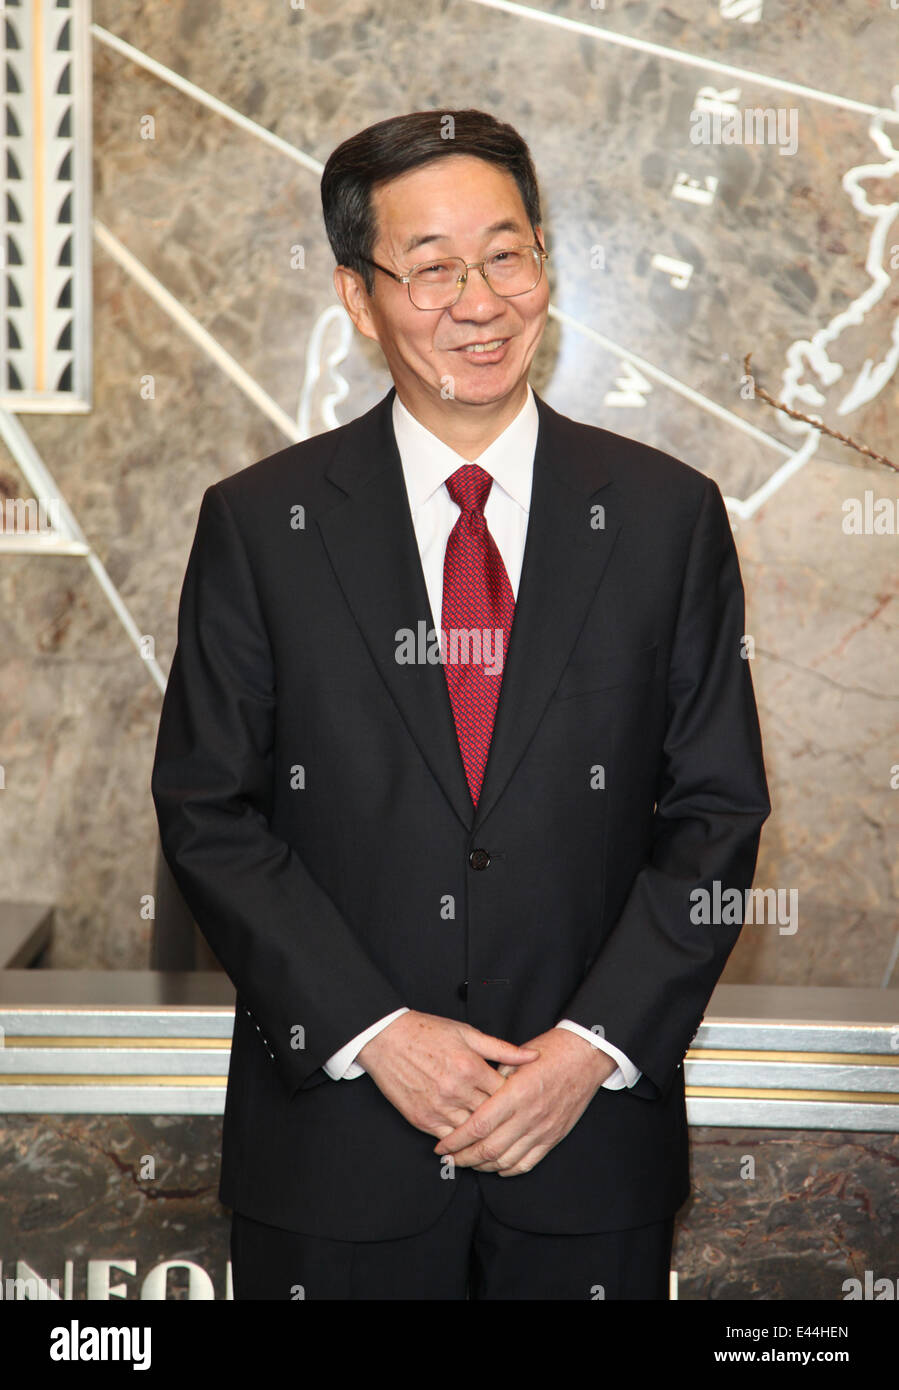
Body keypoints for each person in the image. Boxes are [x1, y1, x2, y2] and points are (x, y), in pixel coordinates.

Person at [151, 108, 770, 1300]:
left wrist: (588, 1052)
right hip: (335, 1169)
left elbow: (714, 813)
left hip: (585, 1160)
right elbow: (208, 813)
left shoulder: (661, 516)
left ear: (543, 262)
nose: (476, 301)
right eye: (430, 268)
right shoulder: (262, 524)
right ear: (355, 293)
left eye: (505, 253)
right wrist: (374, 1030)